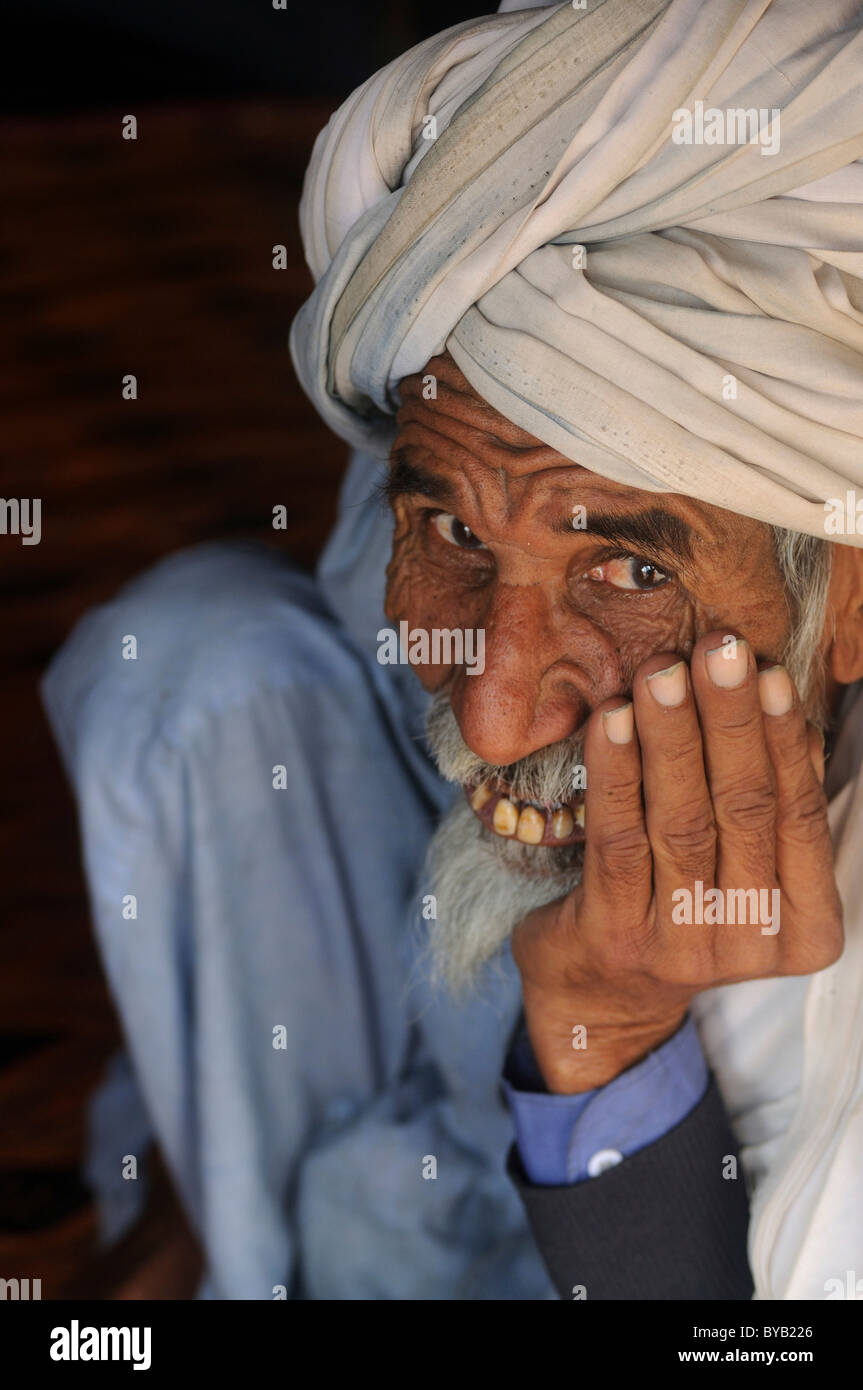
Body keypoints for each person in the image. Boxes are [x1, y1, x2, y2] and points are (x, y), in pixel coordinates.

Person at [43, 0, 863, 1299]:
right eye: (455, 527)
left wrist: (610, 1025)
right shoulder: (435, 529)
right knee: (189, 666)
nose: (491, 713)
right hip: (431, 1115)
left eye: (634, 569)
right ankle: (246, 1245)